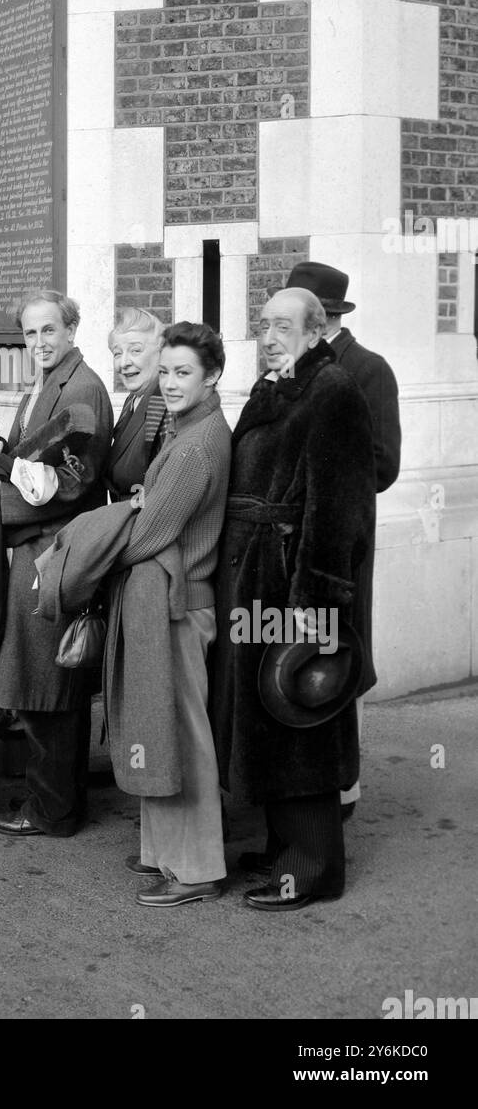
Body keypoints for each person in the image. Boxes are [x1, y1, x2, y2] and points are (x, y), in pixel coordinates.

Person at [34, 322, 231, 905]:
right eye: (164, 371)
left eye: (183, 372)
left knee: (184, 736)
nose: (168, 383)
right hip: (162, 600)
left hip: (177, 604)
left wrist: (101, 533)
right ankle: (166, 855)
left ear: (212, 375)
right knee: (158, 727)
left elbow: (150, 533)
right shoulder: (187, 426)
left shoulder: (197, 442)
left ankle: (198, 870)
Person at [210, 287, 377, 908]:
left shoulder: (333, 393)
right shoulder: (275, 385)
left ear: (315, 334)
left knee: (298, 715)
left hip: (292, 585)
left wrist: (316, 603)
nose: (270, 336)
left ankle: (314, 869)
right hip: (254, 577)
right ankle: (284, 849)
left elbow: (342, 510)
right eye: (265, 325)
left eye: (284, 326)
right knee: (266, 714)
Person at [0, 290, 113, 838]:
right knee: (41, 677)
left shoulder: (80, 388)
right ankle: (54, 800)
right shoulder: (48, 383)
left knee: (48, 683)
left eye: (49, 331)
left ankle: (52, 811)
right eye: (30, 334)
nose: (39, 342)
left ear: (72, 330)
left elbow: (74, 484)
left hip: (56, 546)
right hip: (38, 543)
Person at [286, 261, 401, 817]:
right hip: (291, 540)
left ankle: (342, 786)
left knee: (337, 648)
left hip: (341, 537)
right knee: (296, 652)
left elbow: (384, 465)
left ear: (322, 316)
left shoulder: (367, 370)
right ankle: (305, 780)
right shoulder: (292, 369)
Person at [106, 307, 168, 502]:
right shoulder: (132, 400)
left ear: (161, 353)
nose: (123, 363)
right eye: (117, 353)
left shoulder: (164, 404)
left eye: (135, 350)